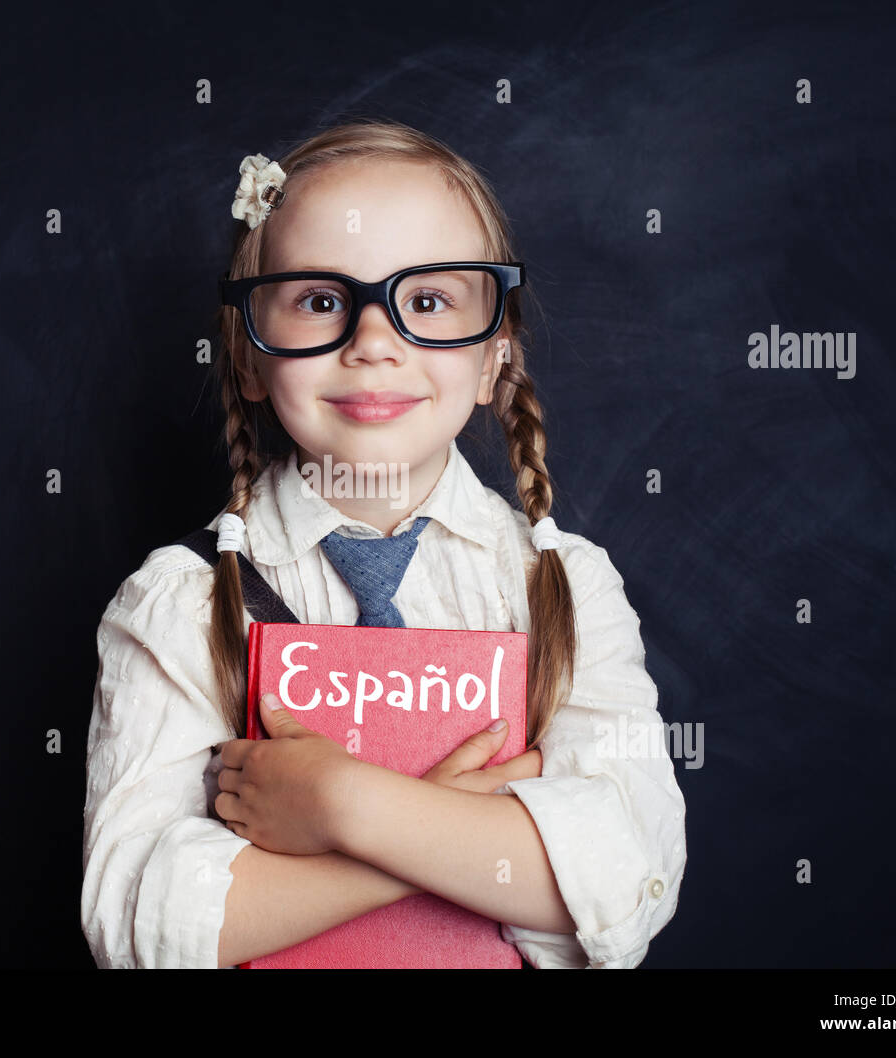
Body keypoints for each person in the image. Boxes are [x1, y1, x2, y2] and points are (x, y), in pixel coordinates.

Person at [80, 118, 687, 969]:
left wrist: (343, 805)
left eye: (430, 301)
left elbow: (624, 882)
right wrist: (445, 830)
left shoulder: (567, 589)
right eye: (321, 301)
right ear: (250, 356)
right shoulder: (179, 603)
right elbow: (144, 927)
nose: (374, 342)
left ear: (492, 363)